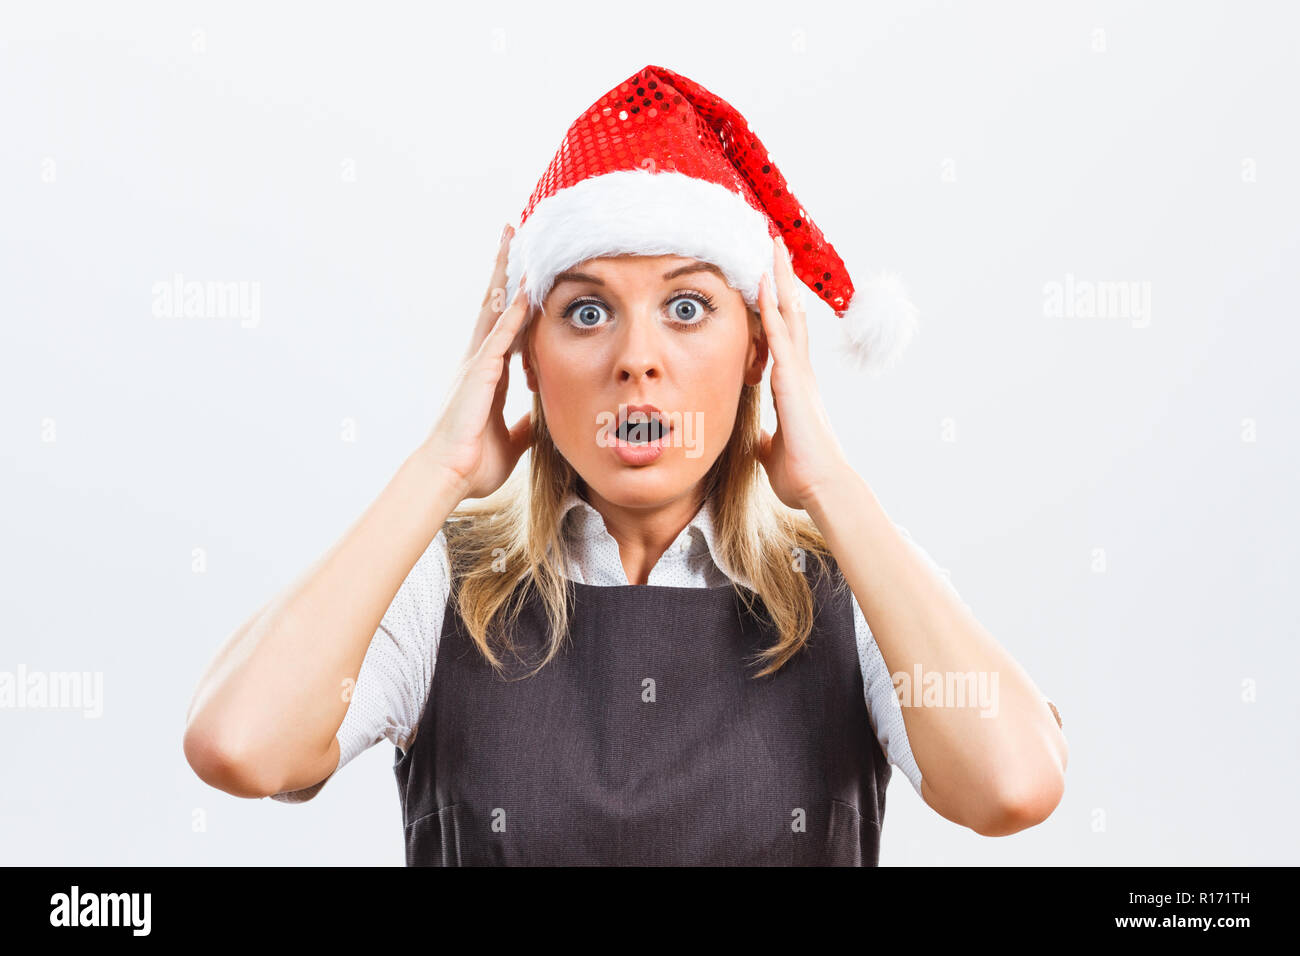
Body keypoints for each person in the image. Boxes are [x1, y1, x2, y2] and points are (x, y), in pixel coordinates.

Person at [184, 64, 1067, 866]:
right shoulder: (443, 584)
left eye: (687, 307)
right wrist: (438, 470)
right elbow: (239, 743)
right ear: (526, 360)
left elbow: (1013, 787)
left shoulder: (855, 581)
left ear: (759, 350)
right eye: (586, 312)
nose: (636, 360)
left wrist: (831, 486)